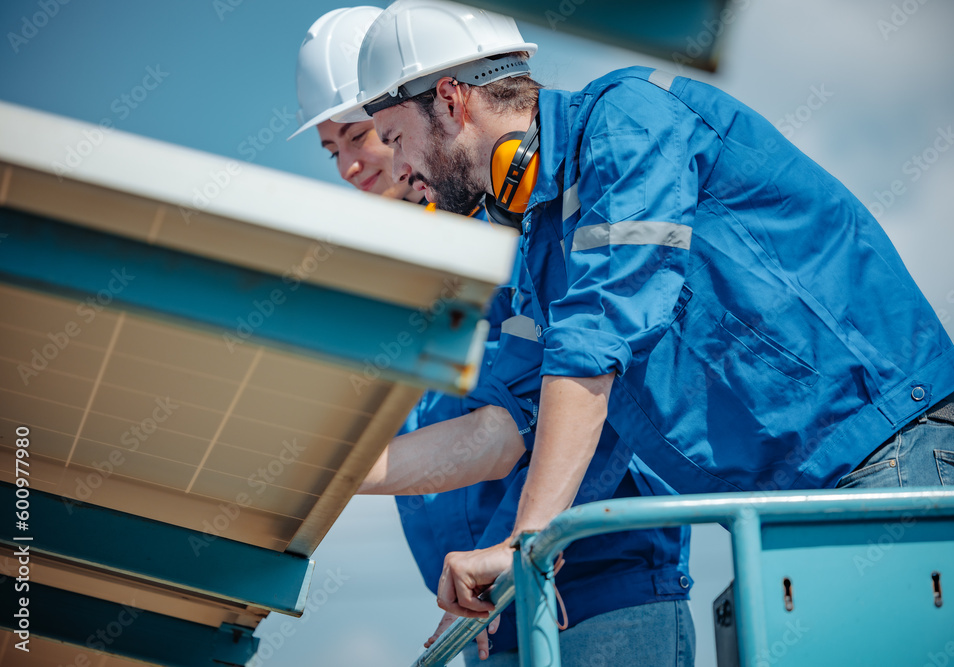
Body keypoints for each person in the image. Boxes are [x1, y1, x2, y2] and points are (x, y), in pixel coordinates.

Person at [331, 0, 954, 621]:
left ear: (450, 100)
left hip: (877, 443)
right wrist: (333, 470)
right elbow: (522, 420)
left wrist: (524, 545)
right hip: (790, 488)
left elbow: (596, 337)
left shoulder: (628, 121)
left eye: (394, 137)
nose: (401, 167)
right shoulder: (541, 244)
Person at [291, 8, 697, 664]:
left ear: (443, 103)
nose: (352, 168)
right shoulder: (397, 277)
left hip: (589, 582)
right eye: (332, 150)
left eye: (369, 136)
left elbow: (564, 395)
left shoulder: (513, 226)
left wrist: (523, 543)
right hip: (493, 598)